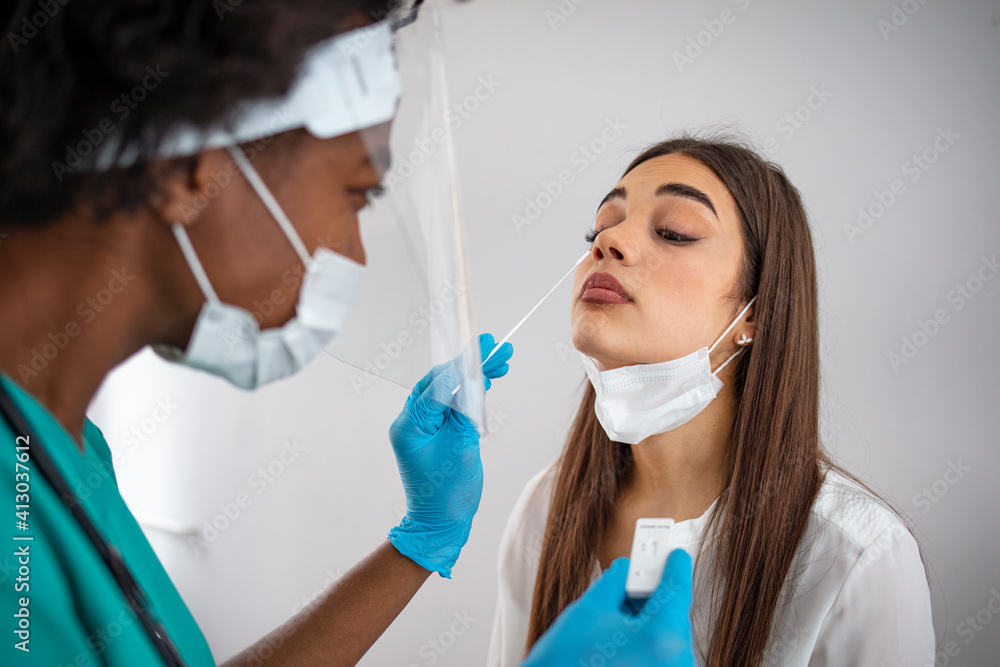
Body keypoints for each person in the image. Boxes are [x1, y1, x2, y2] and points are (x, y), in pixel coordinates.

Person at [0, 1, 697, 665]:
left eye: (675, 233)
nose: (354, 254)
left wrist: (421, 540)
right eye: (355, 193)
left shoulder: (60, 449)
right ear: (190, 172)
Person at [487, 134, 936, 667]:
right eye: (600, 226)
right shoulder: (546, 508)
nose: (607, 243)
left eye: (675, 232)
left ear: (755, 312)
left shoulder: (856, 557)